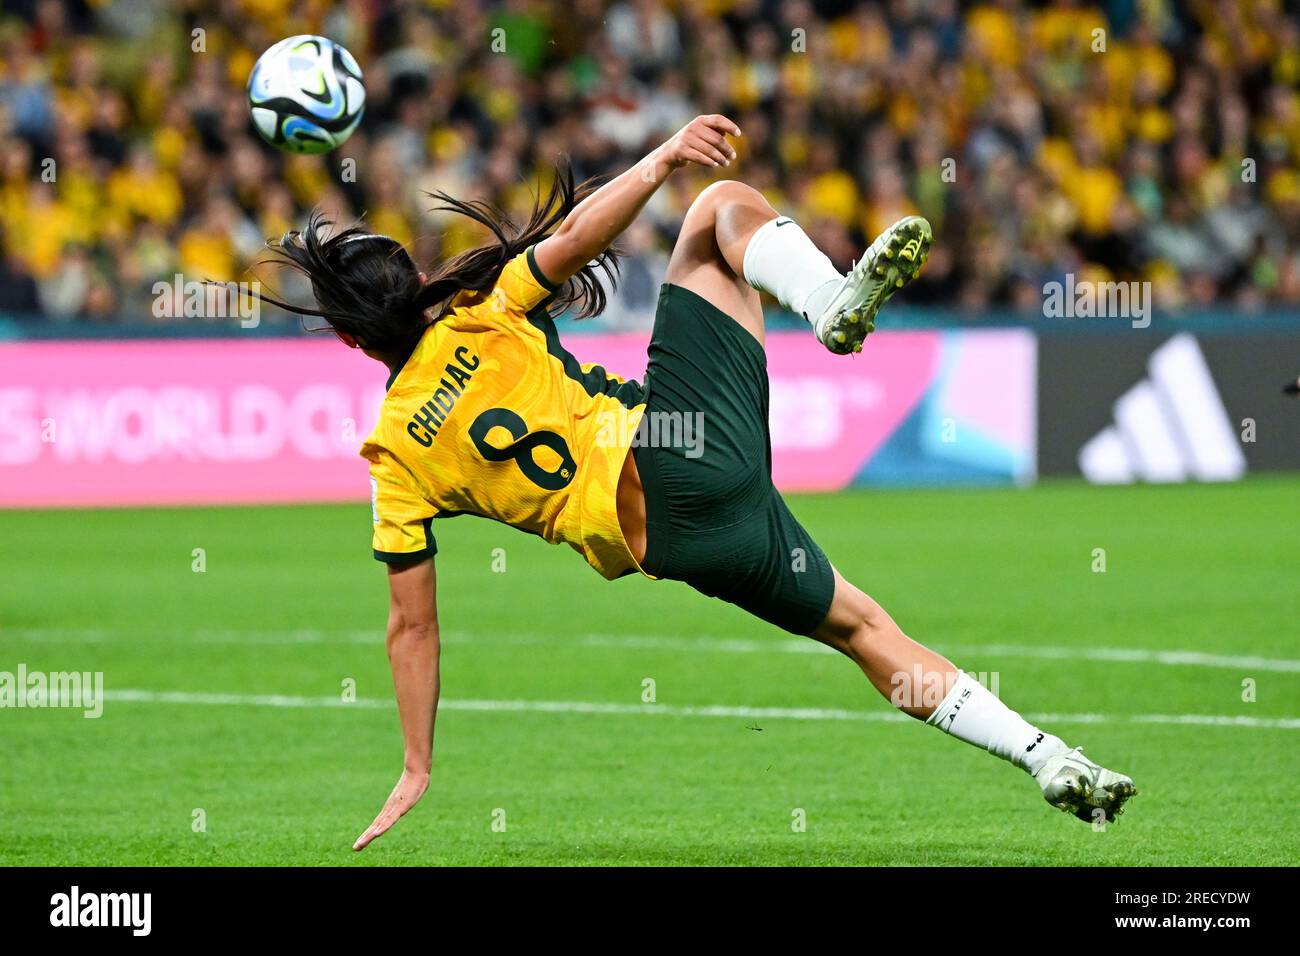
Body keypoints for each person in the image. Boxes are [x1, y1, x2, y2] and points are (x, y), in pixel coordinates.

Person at [262, 114, 1136, 851]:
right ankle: (828, 307)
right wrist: (661, 159)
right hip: (684, 445)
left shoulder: (391, 458)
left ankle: (1048, 757)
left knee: (863, 633)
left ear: (350, 342)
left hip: (682, 543)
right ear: (418, 281)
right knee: (720, 208)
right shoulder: (478, 313)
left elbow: (410, 628)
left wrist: (417, 764)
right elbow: (574, 240)